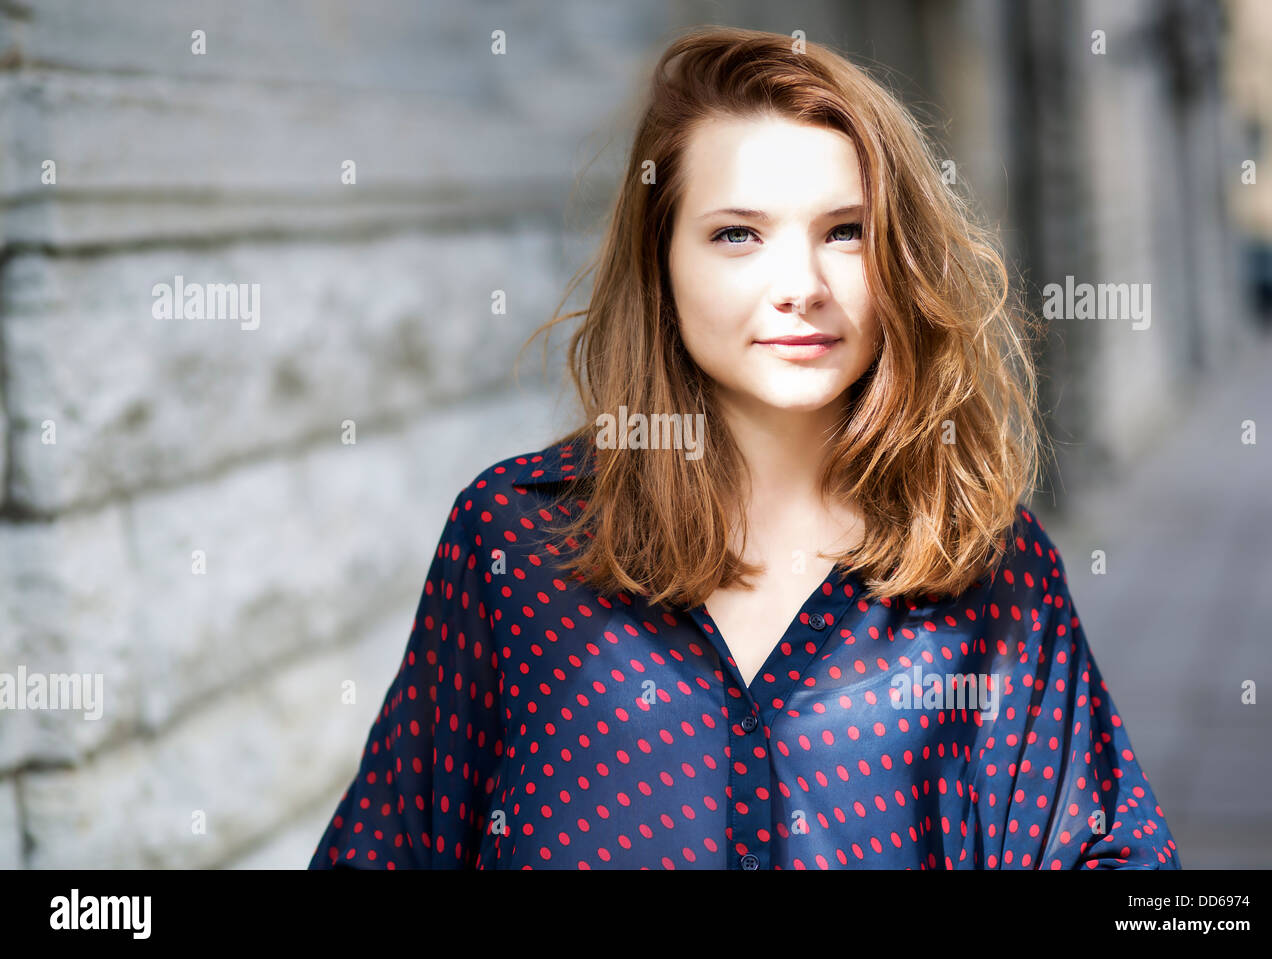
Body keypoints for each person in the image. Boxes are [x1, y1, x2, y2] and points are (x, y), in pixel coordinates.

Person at [308, 26, 1180, 870]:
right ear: (664, 263)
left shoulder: (985, 561)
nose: (800, 288)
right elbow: (384, 847)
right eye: (738, 235)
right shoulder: (513, 539)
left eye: (846, 231)